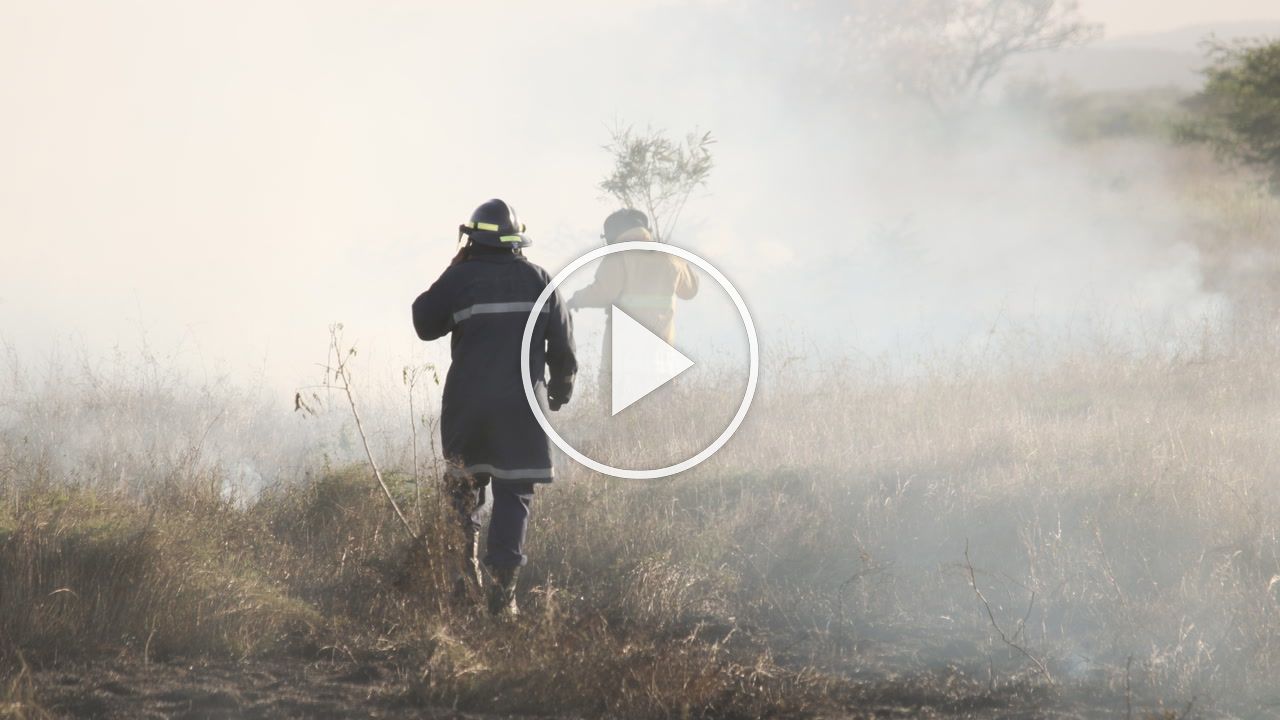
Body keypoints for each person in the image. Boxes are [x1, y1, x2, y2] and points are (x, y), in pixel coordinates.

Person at [412, 198, 576, 617]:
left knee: (464, 490)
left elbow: (424, 323)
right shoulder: (540, 280)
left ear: (472, 239)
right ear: (517, 241)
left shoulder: (461, 278)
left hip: (468, 408)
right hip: (522, 410)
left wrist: (453, 269)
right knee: (514, 494)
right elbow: (563, 350)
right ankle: (503, 601)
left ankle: (465, 583)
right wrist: (559, 390)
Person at [567, 209, 698, 392]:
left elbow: (602, 292)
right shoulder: (669, 256)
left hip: (625, 356)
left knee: (616, 410)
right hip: (662, 356)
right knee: (662, 411)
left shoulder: (618, 256)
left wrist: (575, 300)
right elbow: (690, 290)